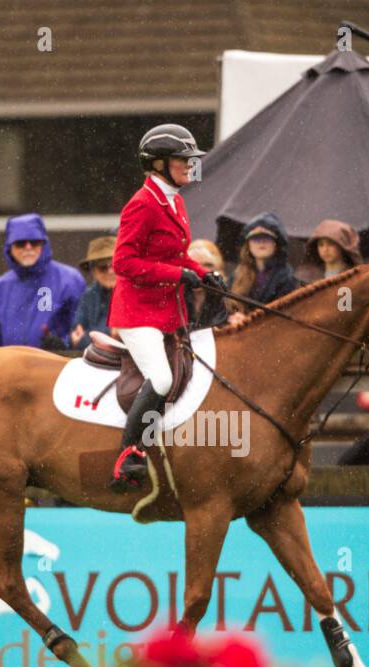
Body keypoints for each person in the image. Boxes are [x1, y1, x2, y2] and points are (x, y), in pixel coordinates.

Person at [108, 123, 224, 490]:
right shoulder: (141, 204)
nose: (190, 166)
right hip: (137, 313)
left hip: (167, 311)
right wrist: (176, 275)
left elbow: (176, 255)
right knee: (161, 378)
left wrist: (203, 274)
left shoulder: (175, 200)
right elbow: (123, 264)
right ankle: (130, 453)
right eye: (182, 161)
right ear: (158, 164)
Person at [0, 213, 85, 351]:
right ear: (9, 248)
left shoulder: (70, 280)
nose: (28, 247)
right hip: (11, 368)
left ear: (44, 243)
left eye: (34, 242)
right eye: (20, 243)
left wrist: (63, 344)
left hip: (55, 367)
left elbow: (82, 329)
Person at [229, 212, 298, 311]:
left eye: (267, 238)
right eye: (256, 238)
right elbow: (227, 310)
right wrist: (235, 318)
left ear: (276, 244)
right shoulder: (236, 275)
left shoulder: (287, 277)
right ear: (248, 245)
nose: (261, 242)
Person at [69, 235, 116, 349]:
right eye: (103, 267)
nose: (110, 271)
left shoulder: (135, 294)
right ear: (94, 272)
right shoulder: (89, 295)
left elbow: (123, 335)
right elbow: (75, 333)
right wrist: (109, 334)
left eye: (115, 265)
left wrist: (85, 340)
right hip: (93, 359)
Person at [296, 219, 361, 284]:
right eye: (321, 245)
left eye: (331, 244)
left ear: (341, 245)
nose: (325, 249)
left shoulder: (353, 275)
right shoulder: (308, 276)